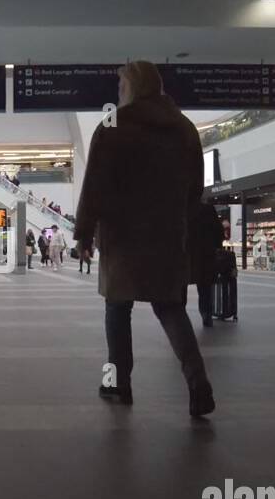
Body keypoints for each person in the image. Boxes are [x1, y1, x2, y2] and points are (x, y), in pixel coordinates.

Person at [73, 60, 215, 416]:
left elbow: (94, 187)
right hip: (167, 235)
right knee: (171, 309)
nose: (118, 92)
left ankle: (117, 383)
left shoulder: (112, 126)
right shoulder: (183, 128)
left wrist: (84, 233)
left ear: (131, 87)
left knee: (116, 308)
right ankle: (199, 384)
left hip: (122, 237)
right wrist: (176, 219)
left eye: (121, 86)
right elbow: (196, 188)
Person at [183, 202, 225, 327]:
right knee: (205, 288)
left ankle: (179, 318)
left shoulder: (179, 206)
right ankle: (206, 314)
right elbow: (219, 232)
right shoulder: (207, 209)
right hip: (205, 256)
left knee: (180, 288)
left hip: (184, 255)